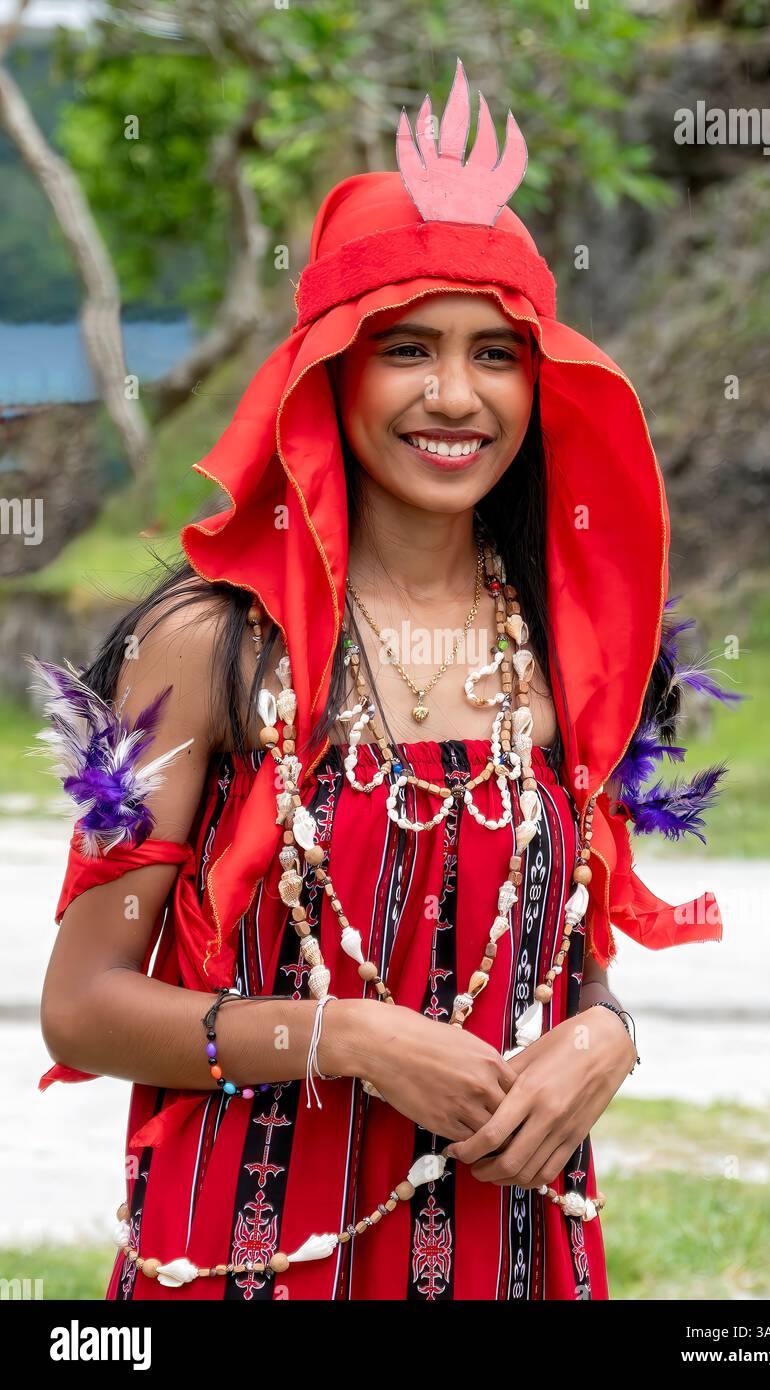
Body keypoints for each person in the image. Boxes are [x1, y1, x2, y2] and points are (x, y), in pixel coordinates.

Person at [31, 61, 730, 1301]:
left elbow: (540, 957)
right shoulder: (208, 647)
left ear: (540, 381)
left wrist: (608, 1033)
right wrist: (347, 1039)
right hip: (250, 1254)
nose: (453, 396)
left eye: (495, 355)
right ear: (330, 375)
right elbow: (82, 1010)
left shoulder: (573, 648)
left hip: (515, 1255)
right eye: (407, 348)